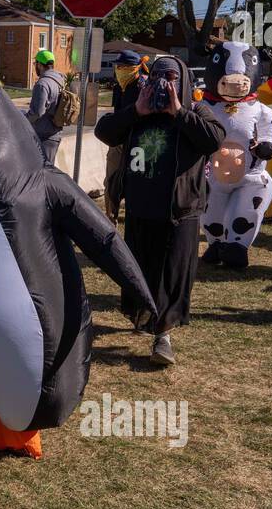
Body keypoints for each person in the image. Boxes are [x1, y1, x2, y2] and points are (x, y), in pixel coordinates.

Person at [94, 56, 224, 366]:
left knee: (173, 272)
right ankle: (144, 316)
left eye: (172, 78)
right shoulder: (139, 109)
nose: (166, 84)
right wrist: (137, 111)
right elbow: (105, 132)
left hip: (182, 208)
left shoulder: (197, 110)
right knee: (141, 270)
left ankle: (163, 336)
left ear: (183, 81)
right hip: (141, 206)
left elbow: (214, 140)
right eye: (160, 77)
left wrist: (178, 112)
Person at [102, 50, 147, 222]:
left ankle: (136, 218)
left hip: (137, 145)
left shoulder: (143, 88)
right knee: (110, 182)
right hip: (118, 142)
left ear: (134, 68)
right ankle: (110, 218)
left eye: (122, 66)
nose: (118, 70)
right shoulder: (119, 88)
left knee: (136, 184)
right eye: (117, 66)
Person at [26, 48, 67, 164]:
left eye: (35, 63)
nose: (35, 66)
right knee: (48, 171)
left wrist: (23, 120)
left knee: (41, 173)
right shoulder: (60, 81)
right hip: (55, 135)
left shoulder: (42, 84)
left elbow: (37, 113)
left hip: (43, 136)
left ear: (39, 64)